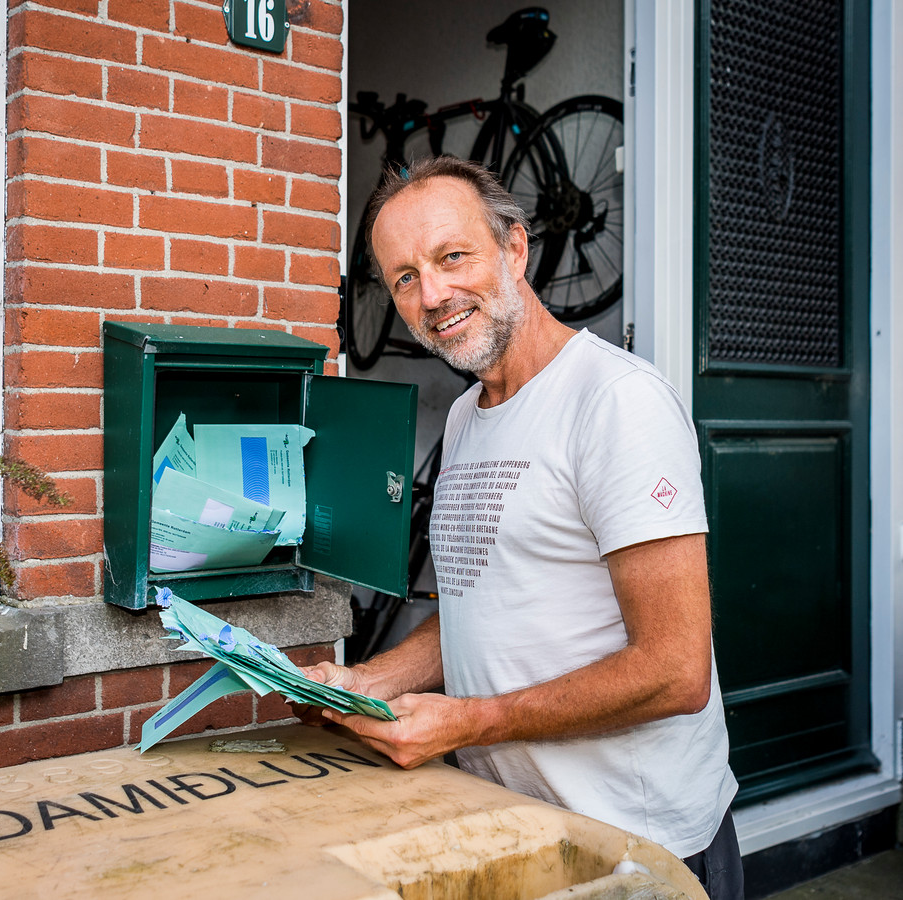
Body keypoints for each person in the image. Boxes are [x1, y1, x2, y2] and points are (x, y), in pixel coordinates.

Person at [304, 157, 742, 899]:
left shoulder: (616, 402)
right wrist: (363, 682)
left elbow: (676, 671)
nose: (431, 295)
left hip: (637, 849)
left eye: (452, 257)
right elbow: (485, 607)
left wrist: (470, 723)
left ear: (513, 248)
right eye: (405, 277)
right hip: (514, 832)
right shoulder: (465, 418)